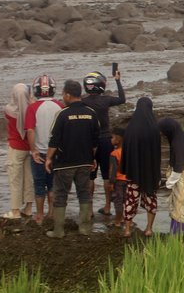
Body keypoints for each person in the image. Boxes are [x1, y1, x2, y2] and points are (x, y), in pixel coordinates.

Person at [45, 80, 99, 238]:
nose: (62, 97)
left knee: (60, 194)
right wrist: (92, 158)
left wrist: (48, 158)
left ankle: (58, 230)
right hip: (85, 161)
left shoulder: (62, 114)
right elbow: (95, 141)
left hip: (64, 163)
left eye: (63, 94)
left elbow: (54, 140)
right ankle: (84, 228)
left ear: (68, 95)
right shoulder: (91, 113)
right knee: (84, 193)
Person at [82, 69, 126, 218]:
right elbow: (122, 99)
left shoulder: (83, 102)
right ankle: (108, 206)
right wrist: (118, 80)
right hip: (106, 141)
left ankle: (89, 210)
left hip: (89, 142)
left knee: (90, 177)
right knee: (107, 176)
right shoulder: (106, 100)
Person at [121, 97, 162, 238]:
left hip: (133, 171)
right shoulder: (154, 128)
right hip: (150, 172)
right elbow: (157, 153)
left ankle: (127, 229)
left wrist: (125, 168)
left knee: (130, 199)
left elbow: (125, 150)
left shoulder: (131, 128)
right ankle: (149, 229)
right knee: (150, 199)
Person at [25, 75, 63, 225]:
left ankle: (39, 214)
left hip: (39, 153)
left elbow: (30, 130)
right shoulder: (60, 106)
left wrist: (33, 150)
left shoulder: (33, 108)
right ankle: (51, 213)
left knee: (39, 184)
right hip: (56, 153)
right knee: (53, 184)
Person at [4, 83, 35, 220]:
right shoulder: (32, 109)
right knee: (29, 178)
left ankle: (15, 210)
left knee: (15, 179)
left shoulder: (9, 110)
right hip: (30, 147)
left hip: (16, 147)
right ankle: (28, 208)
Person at [108, 128, 127, 228]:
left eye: (112, 137)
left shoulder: (114, 153)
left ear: (118, 139)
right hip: (128, 180)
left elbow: (113, 170)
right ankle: (126, 219)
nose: (111, 139)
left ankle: (118, 221)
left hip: (118, 181)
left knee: (118, 201)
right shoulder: (129, 151)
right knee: (126, 201)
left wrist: (111, 183)